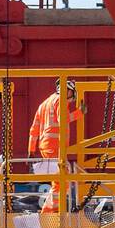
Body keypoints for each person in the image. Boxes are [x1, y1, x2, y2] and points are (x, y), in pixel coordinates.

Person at [27, 80, 84, 213]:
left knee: (58, 182)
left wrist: (31, 150)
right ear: (68, 90)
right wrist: (79, 113)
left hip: (45, 147)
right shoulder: (60, 100)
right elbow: (62, 120)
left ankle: (53, 212)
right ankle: (48, 213)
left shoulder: (44, 104)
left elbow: (34, 129)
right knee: (62, 182)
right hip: (55, 147)